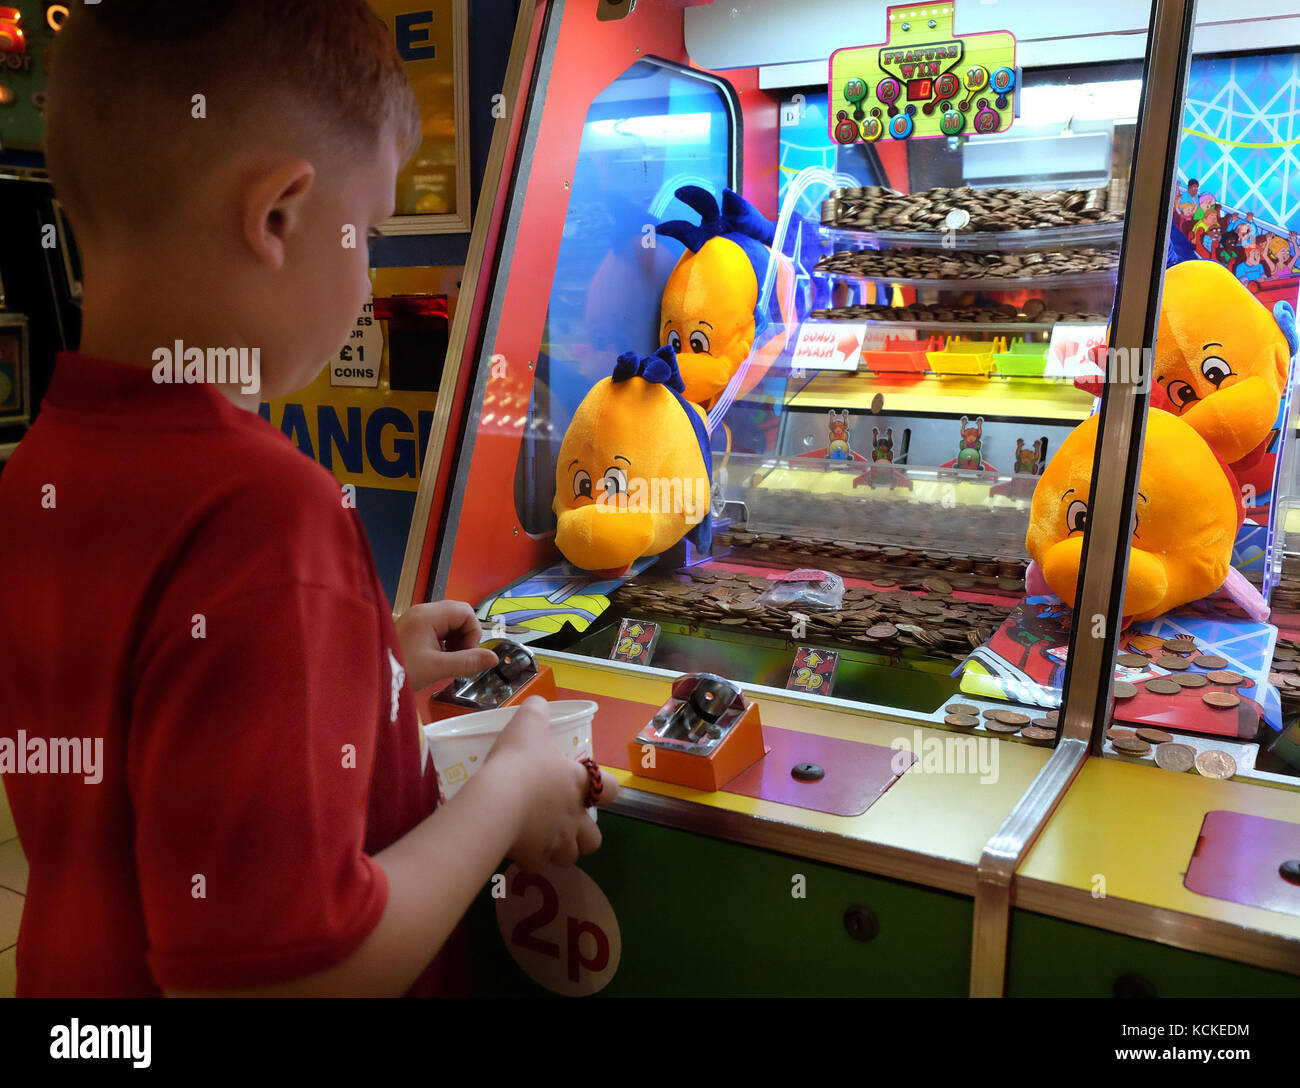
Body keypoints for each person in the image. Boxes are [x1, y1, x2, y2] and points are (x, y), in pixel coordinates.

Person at [0, 1, 614, 998]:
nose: (368, 277)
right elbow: (298, 973)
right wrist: (511, 791)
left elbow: (154, 721)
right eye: (366, 230)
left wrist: (365, 668)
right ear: (279, 215)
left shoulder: (45, 466)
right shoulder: (263, 509)